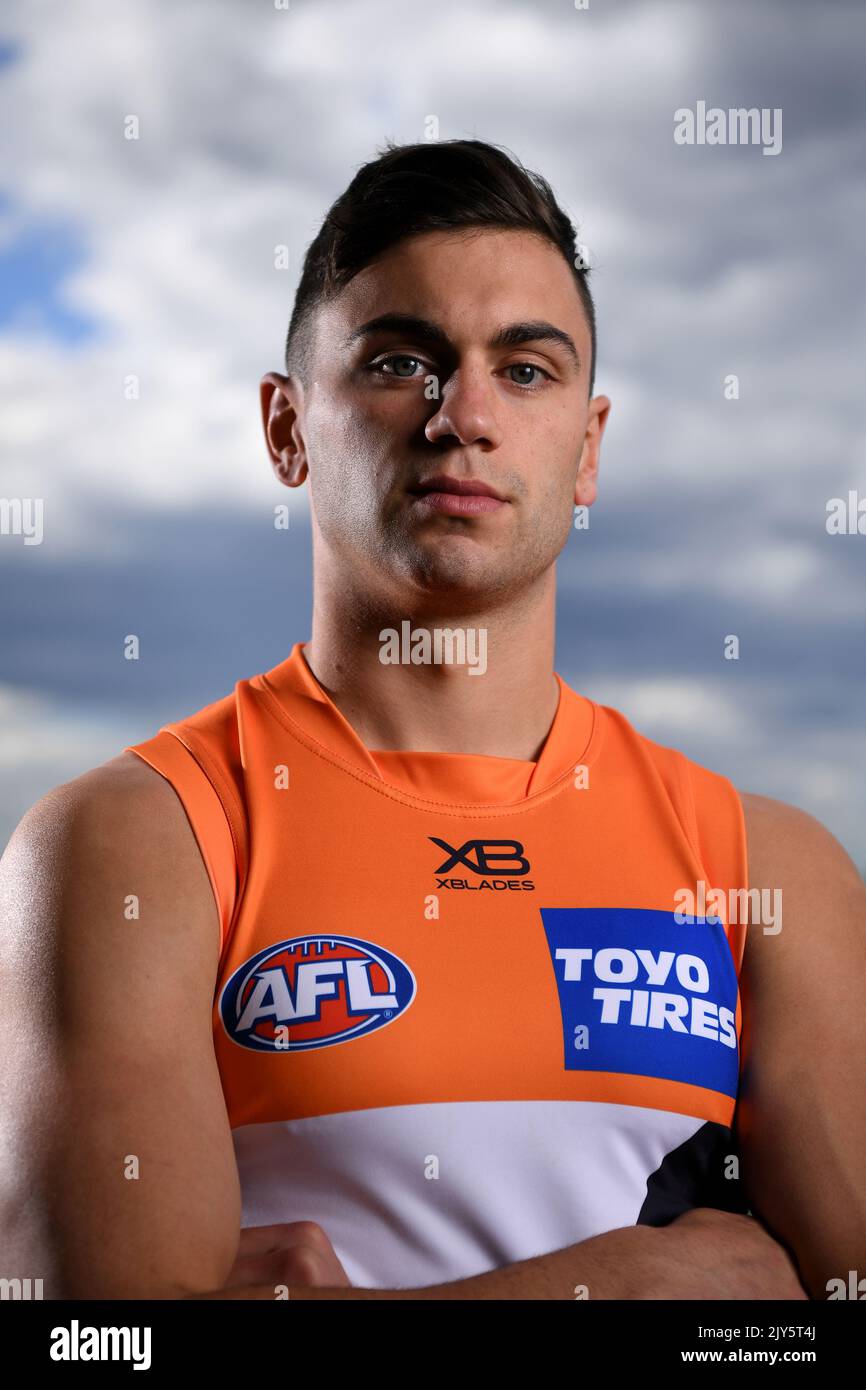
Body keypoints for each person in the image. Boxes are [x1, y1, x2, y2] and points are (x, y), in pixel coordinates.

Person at [1, 139, 863, 1302]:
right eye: (402, 360)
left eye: (525, 370)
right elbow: (101, 1346)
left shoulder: (764, 869)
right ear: (286, 428)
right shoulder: (131, 849)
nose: (461, 414)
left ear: (589, 447)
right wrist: (629, 1290)